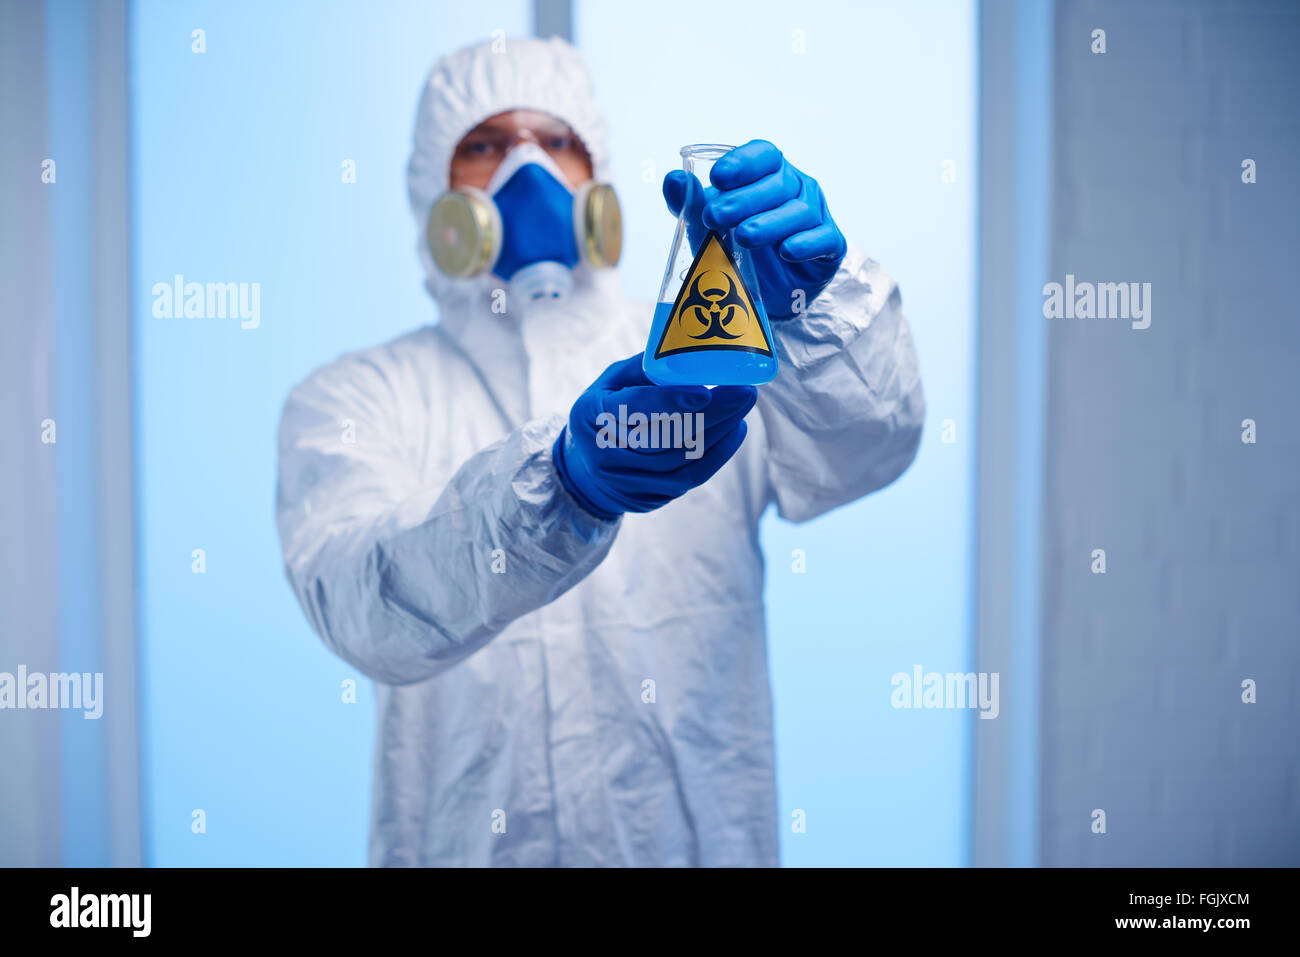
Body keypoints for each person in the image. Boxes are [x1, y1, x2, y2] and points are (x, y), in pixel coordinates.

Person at [276, 36, 924, 866]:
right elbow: (364, 602)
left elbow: (874, 447)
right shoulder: (359, 396)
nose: (526, 168)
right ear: (433, 193)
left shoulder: (704, 364)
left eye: (557, 142)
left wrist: (813, 313)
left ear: (597, 178)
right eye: (484, 146)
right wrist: (560, 490)